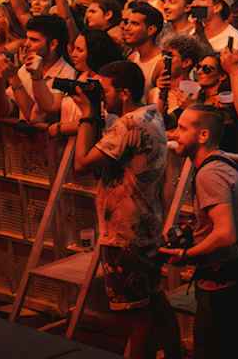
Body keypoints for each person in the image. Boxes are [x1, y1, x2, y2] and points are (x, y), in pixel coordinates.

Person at [70, 59, 181, 359]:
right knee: (153, 302)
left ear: (124, 93)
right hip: (145, 225)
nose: (99, 95)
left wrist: (87, 114)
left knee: (135, 318)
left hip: (124, 232)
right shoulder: (152, 115)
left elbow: (81, 163)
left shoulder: (129, 125)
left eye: (103, 90)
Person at [165, 105, 238, 359]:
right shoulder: (220, 162)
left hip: (224, 287)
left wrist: (187, 253)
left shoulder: (209, 174)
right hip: (234, 279)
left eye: (183, 128)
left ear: (203, 135)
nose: (175, 134)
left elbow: (225, 233)